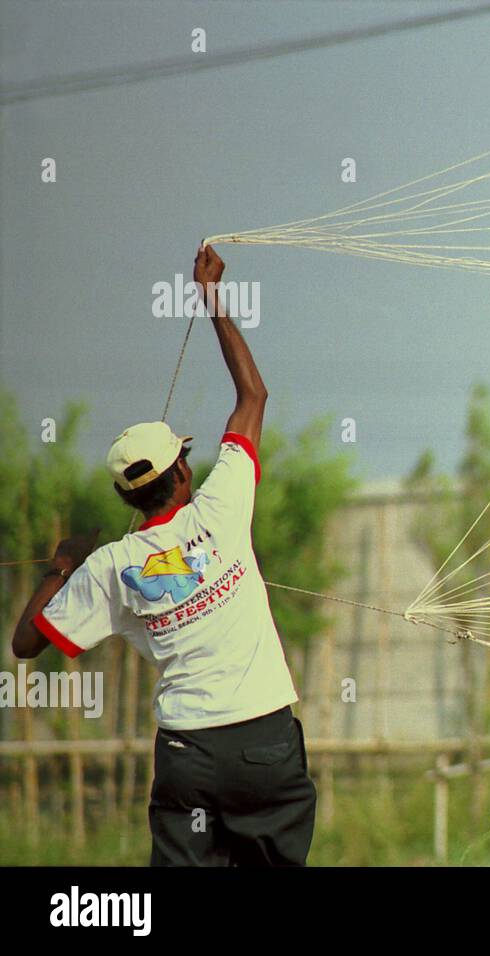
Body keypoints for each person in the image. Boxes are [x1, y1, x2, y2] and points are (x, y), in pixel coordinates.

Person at [11, 244, 316, 866]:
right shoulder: (222, 505)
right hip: (265, 745)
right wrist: (209, 295)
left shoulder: (109, 567)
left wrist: (62, 565)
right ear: (182, 470)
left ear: (126, 493)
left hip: (188, 761)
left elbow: (25, 642)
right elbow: (252, 396)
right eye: (185, 456)